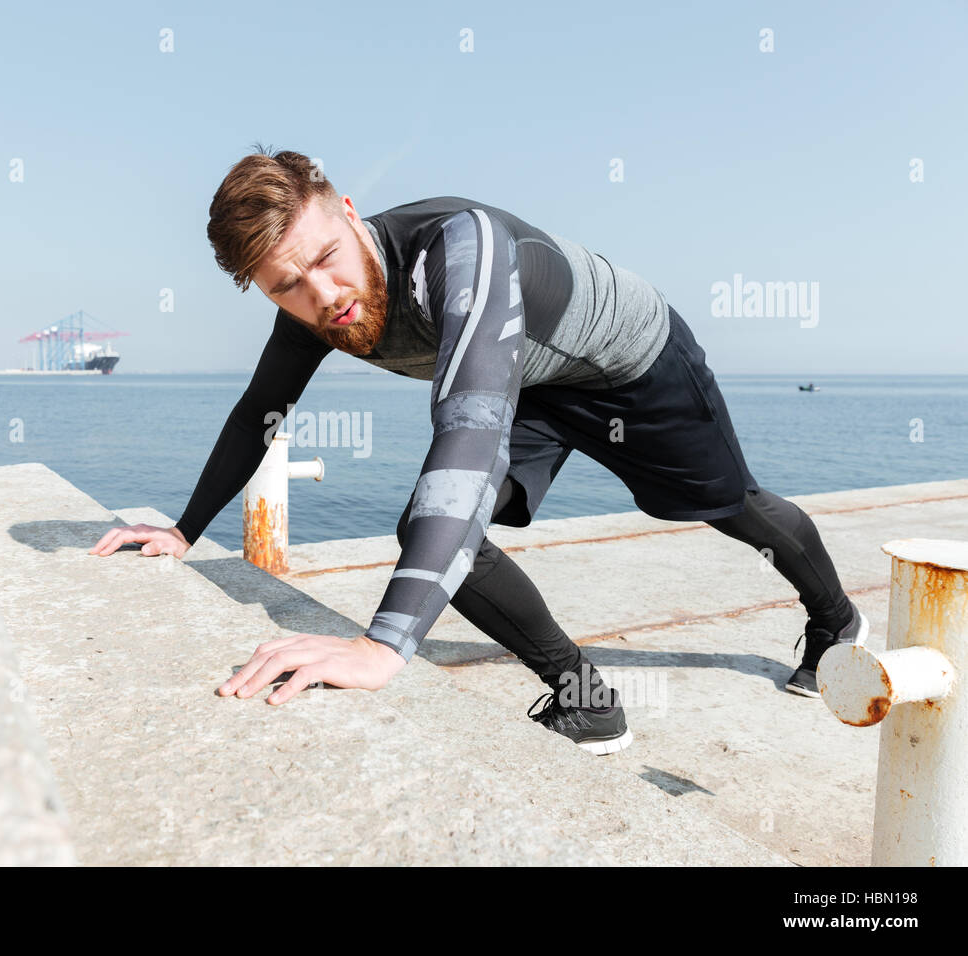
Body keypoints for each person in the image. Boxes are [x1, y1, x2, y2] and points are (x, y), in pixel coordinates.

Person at [90, 145, 868, 755]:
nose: (322, 297)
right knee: (436, 533)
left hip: (632, 365)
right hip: (532, 379)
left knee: (729, 507)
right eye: (287, 286)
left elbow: (466, 425)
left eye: (326, 258)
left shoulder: (457, 253)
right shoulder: (308, 306)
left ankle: (836, 618)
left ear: (349, 212)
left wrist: (382, 645)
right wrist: (185, 529)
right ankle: (586, 704)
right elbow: (261, 408)